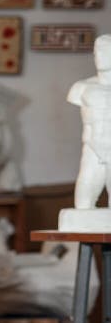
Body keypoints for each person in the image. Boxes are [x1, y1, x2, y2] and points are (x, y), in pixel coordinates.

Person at [68, 34, 111, 209]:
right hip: (92, 149)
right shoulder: (82, 88)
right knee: (83, 204)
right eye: (96, 51)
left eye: (105, 50)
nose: (100, 56)